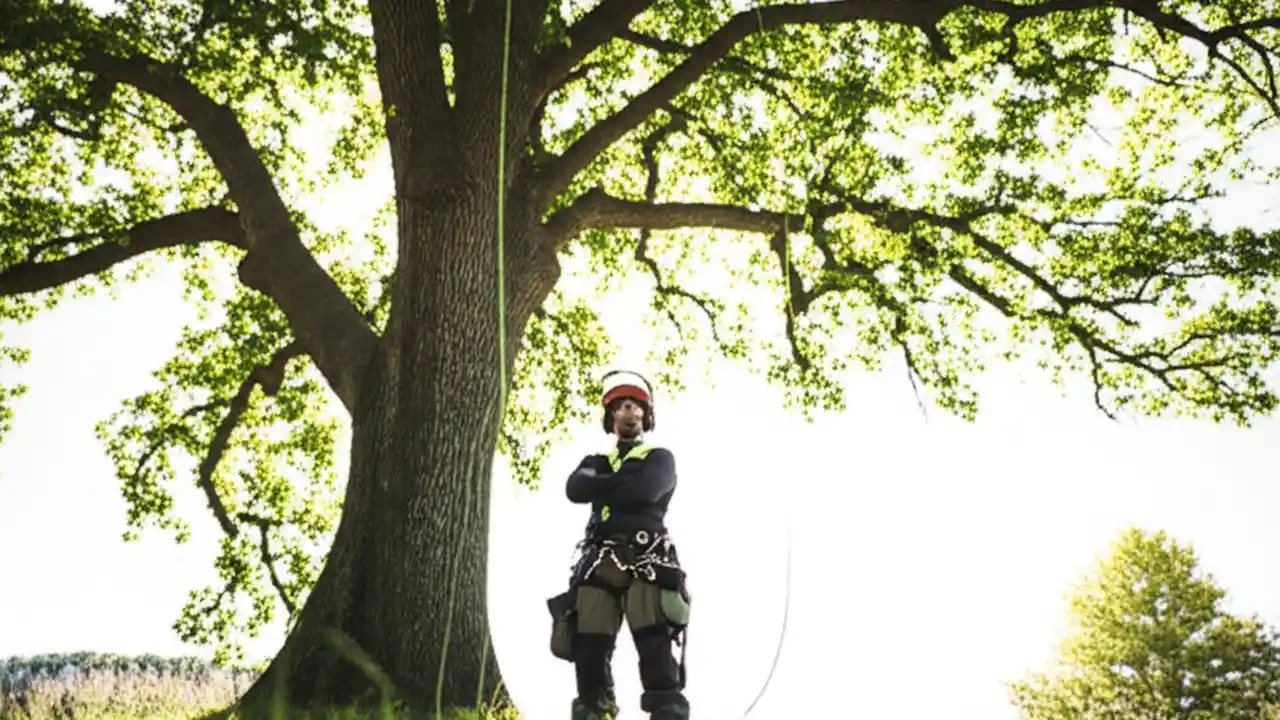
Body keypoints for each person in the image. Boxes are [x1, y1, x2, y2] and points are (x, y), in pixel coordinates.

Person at [547, 370, 692, 720]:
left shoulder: (660, 457)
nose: (628, 412)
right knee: (589, 645)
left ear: (645, 415)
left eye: (635, 406)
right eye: (621, 407)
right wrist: (622, 479)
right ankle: (597, 706)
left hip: (647, 558)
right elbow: (574, 489)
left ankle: (666, 710)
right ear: (611, 417)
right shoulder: (594, 460)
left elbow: (644, 491)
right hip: (600, 560)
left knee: (654, 641)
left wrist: (605, 484)